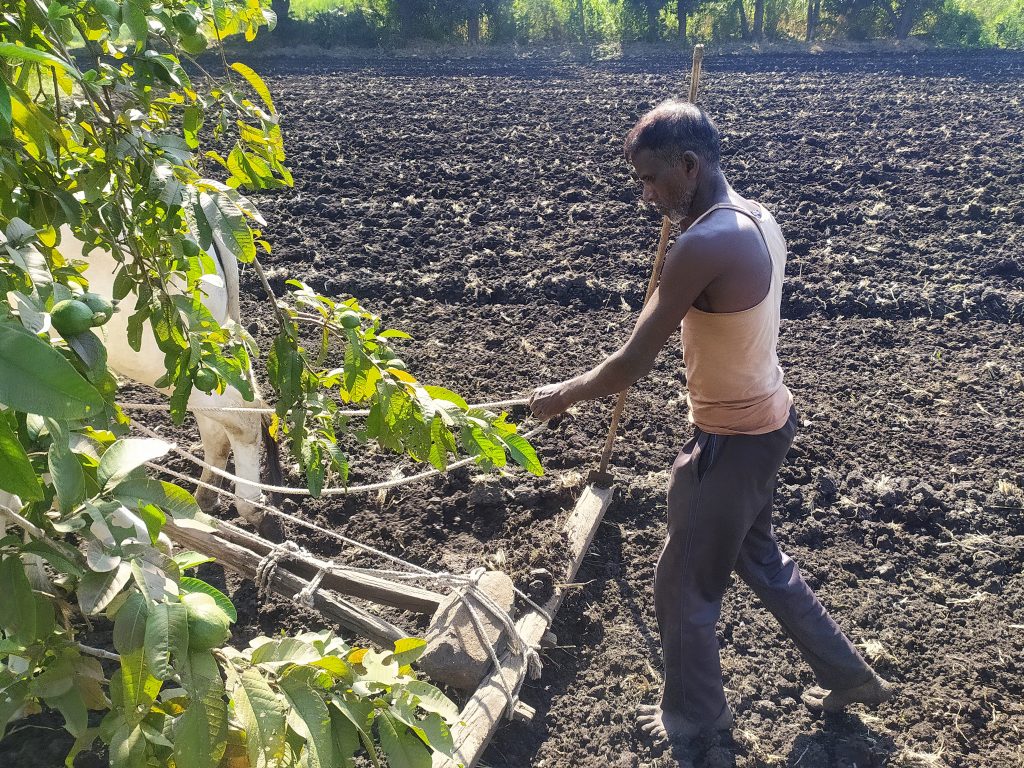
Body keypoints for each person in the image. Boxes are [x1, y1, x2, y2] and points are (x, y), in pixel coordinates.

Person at [528, 100, 894, 748]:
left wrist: (563, 395)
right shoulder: (754, 218)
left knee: (681, 585)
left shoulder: (703, 244)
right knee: (759, 558)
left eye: (651, 179)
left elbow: (631, 363)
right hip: (768, 421)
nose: (645, 196)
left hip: (730, 442)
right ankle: (848, 674)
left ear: (689, 166)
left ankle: (696, 720)